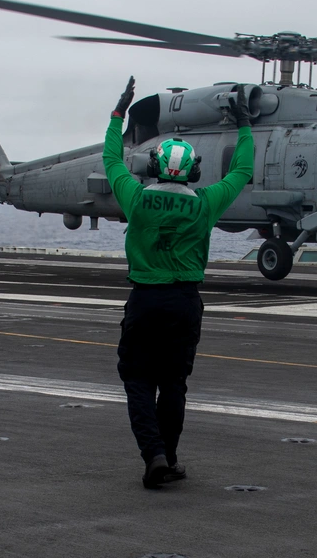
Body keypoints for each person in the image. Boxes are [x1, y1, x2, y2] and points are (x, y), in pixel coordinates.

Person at [103, 76, 254, 488]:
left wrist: (118, 115)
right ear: (194, 171)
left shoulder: (135, 198)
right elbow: (242, 170)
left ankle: (153, 455)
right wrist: (244, 126)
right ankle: (168, 457)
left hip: (145, 300)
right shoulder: (205, 204)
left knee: (137, 380)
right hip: (184, 301)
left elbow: (112, 160)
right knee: (173, 383)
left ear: (154, 167)